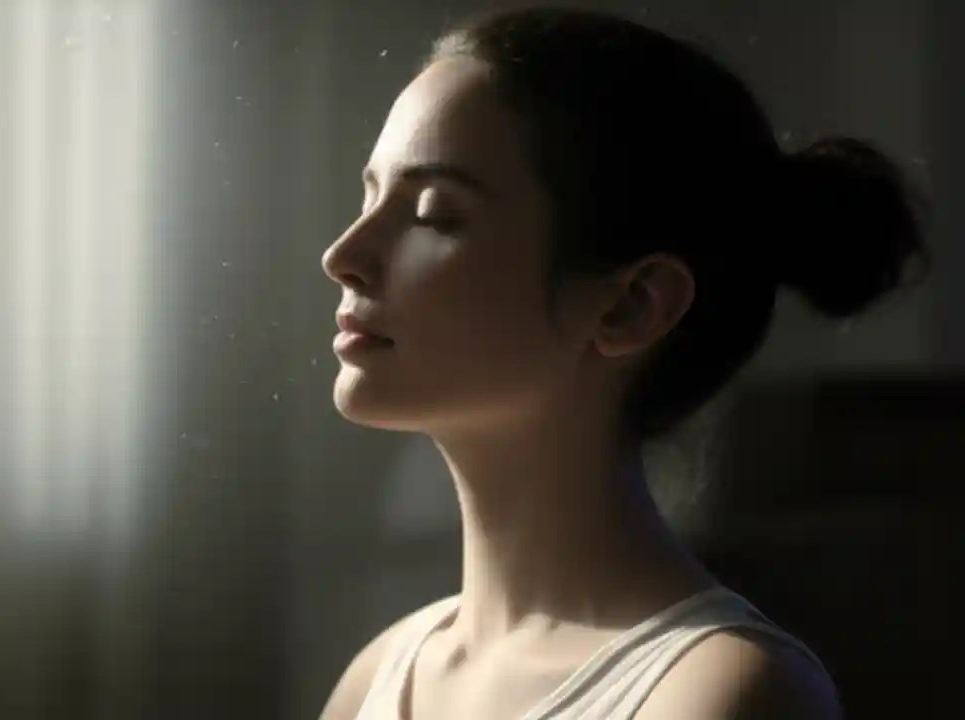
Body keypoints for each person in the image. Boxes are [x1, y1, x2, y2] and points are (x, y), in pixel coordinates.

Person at [318, 6, 927, 720]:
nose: (344, 256)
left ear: (630, 306)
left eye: (435, 213)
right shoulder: (382, 676)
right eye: (370, 193)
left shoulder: (717, 692)